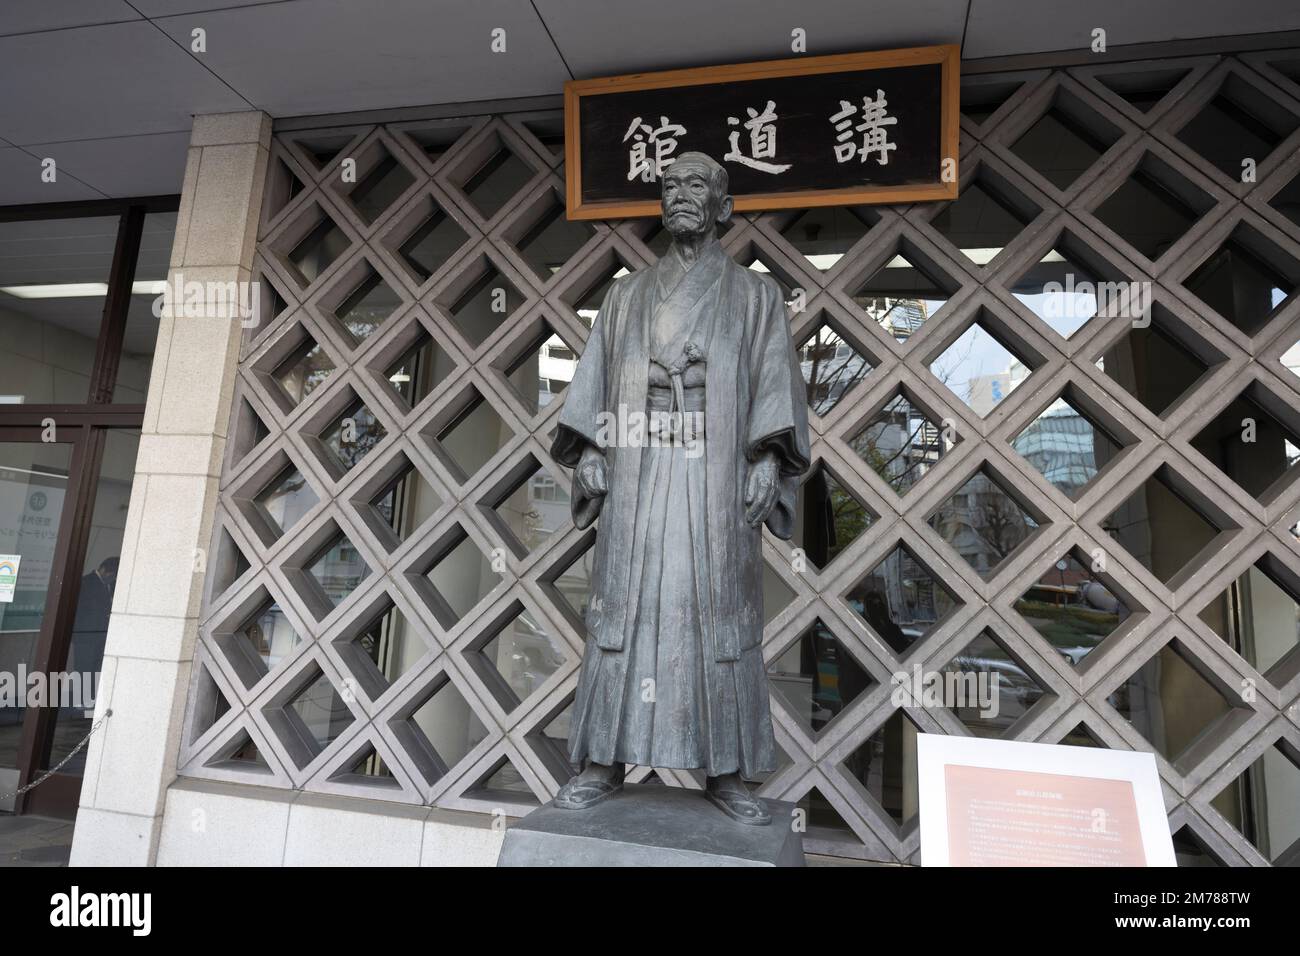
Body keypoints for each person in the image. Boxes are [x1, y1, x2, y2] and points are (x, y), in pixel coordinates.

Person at [550, 151, 810, 824]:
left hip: (717, 468)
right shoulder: (627, 295)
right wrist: (592, 452)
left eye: (696, 185)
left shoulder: (754, 297)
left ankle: (724, 771)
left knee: (717, 609)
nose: (679, 195)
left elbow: (775, 384)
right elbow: (596, 384)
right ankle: (603, 761)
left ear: (725, 207)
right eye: (669, 186)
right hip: (639, 468)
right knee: (626, 608)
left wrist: (767, 458)